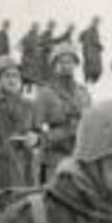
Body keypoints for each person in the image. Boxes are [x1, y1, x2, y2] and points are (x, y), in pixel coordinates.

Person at [32, 43, 92, 182]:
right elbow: (35, 130)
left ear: (75, 64)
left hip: (79, 159)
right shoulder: (45, 93)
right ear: (54, 65)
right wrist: (52, 137)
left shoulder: (83, 93)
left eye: (70, 61)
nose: (66, 65)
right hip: (54, 160)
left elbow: (91, 124)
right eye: (61, 61)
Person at [0, 56, 39, 201]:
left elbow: (40, 134)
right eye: (7, 76)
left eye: (16, 76)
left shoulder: (29, 105)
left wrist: (35, 139)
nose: (12, 80)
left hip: (25, 166)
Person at [78, 16, 104, 83]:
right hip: (90, 52)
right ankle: (89, 78)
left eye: (97, 22)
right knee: (90, 65)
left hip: (93, 52)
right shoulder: (89, 30)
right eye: (95, 22)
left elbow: (82, 39)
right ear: (93, 22)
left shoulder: (94, 30)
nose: (96, 24)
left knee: (94, 65)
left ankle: (92, 79)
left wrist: (99, 46)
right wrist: (98, 45)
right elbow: (89, 40)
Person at [20, 23, 41, 89]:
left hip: (32, 60)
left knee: (31, 78)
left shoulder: (36, 37)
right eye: (36, 27)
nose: (37, 29)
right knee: (27, 77)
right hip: (29, 60)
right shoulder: (28, 36)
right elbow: (19, 46)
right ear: (32, 28)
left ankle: (28, 94)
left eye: (37, 28)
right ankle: (26, 94)